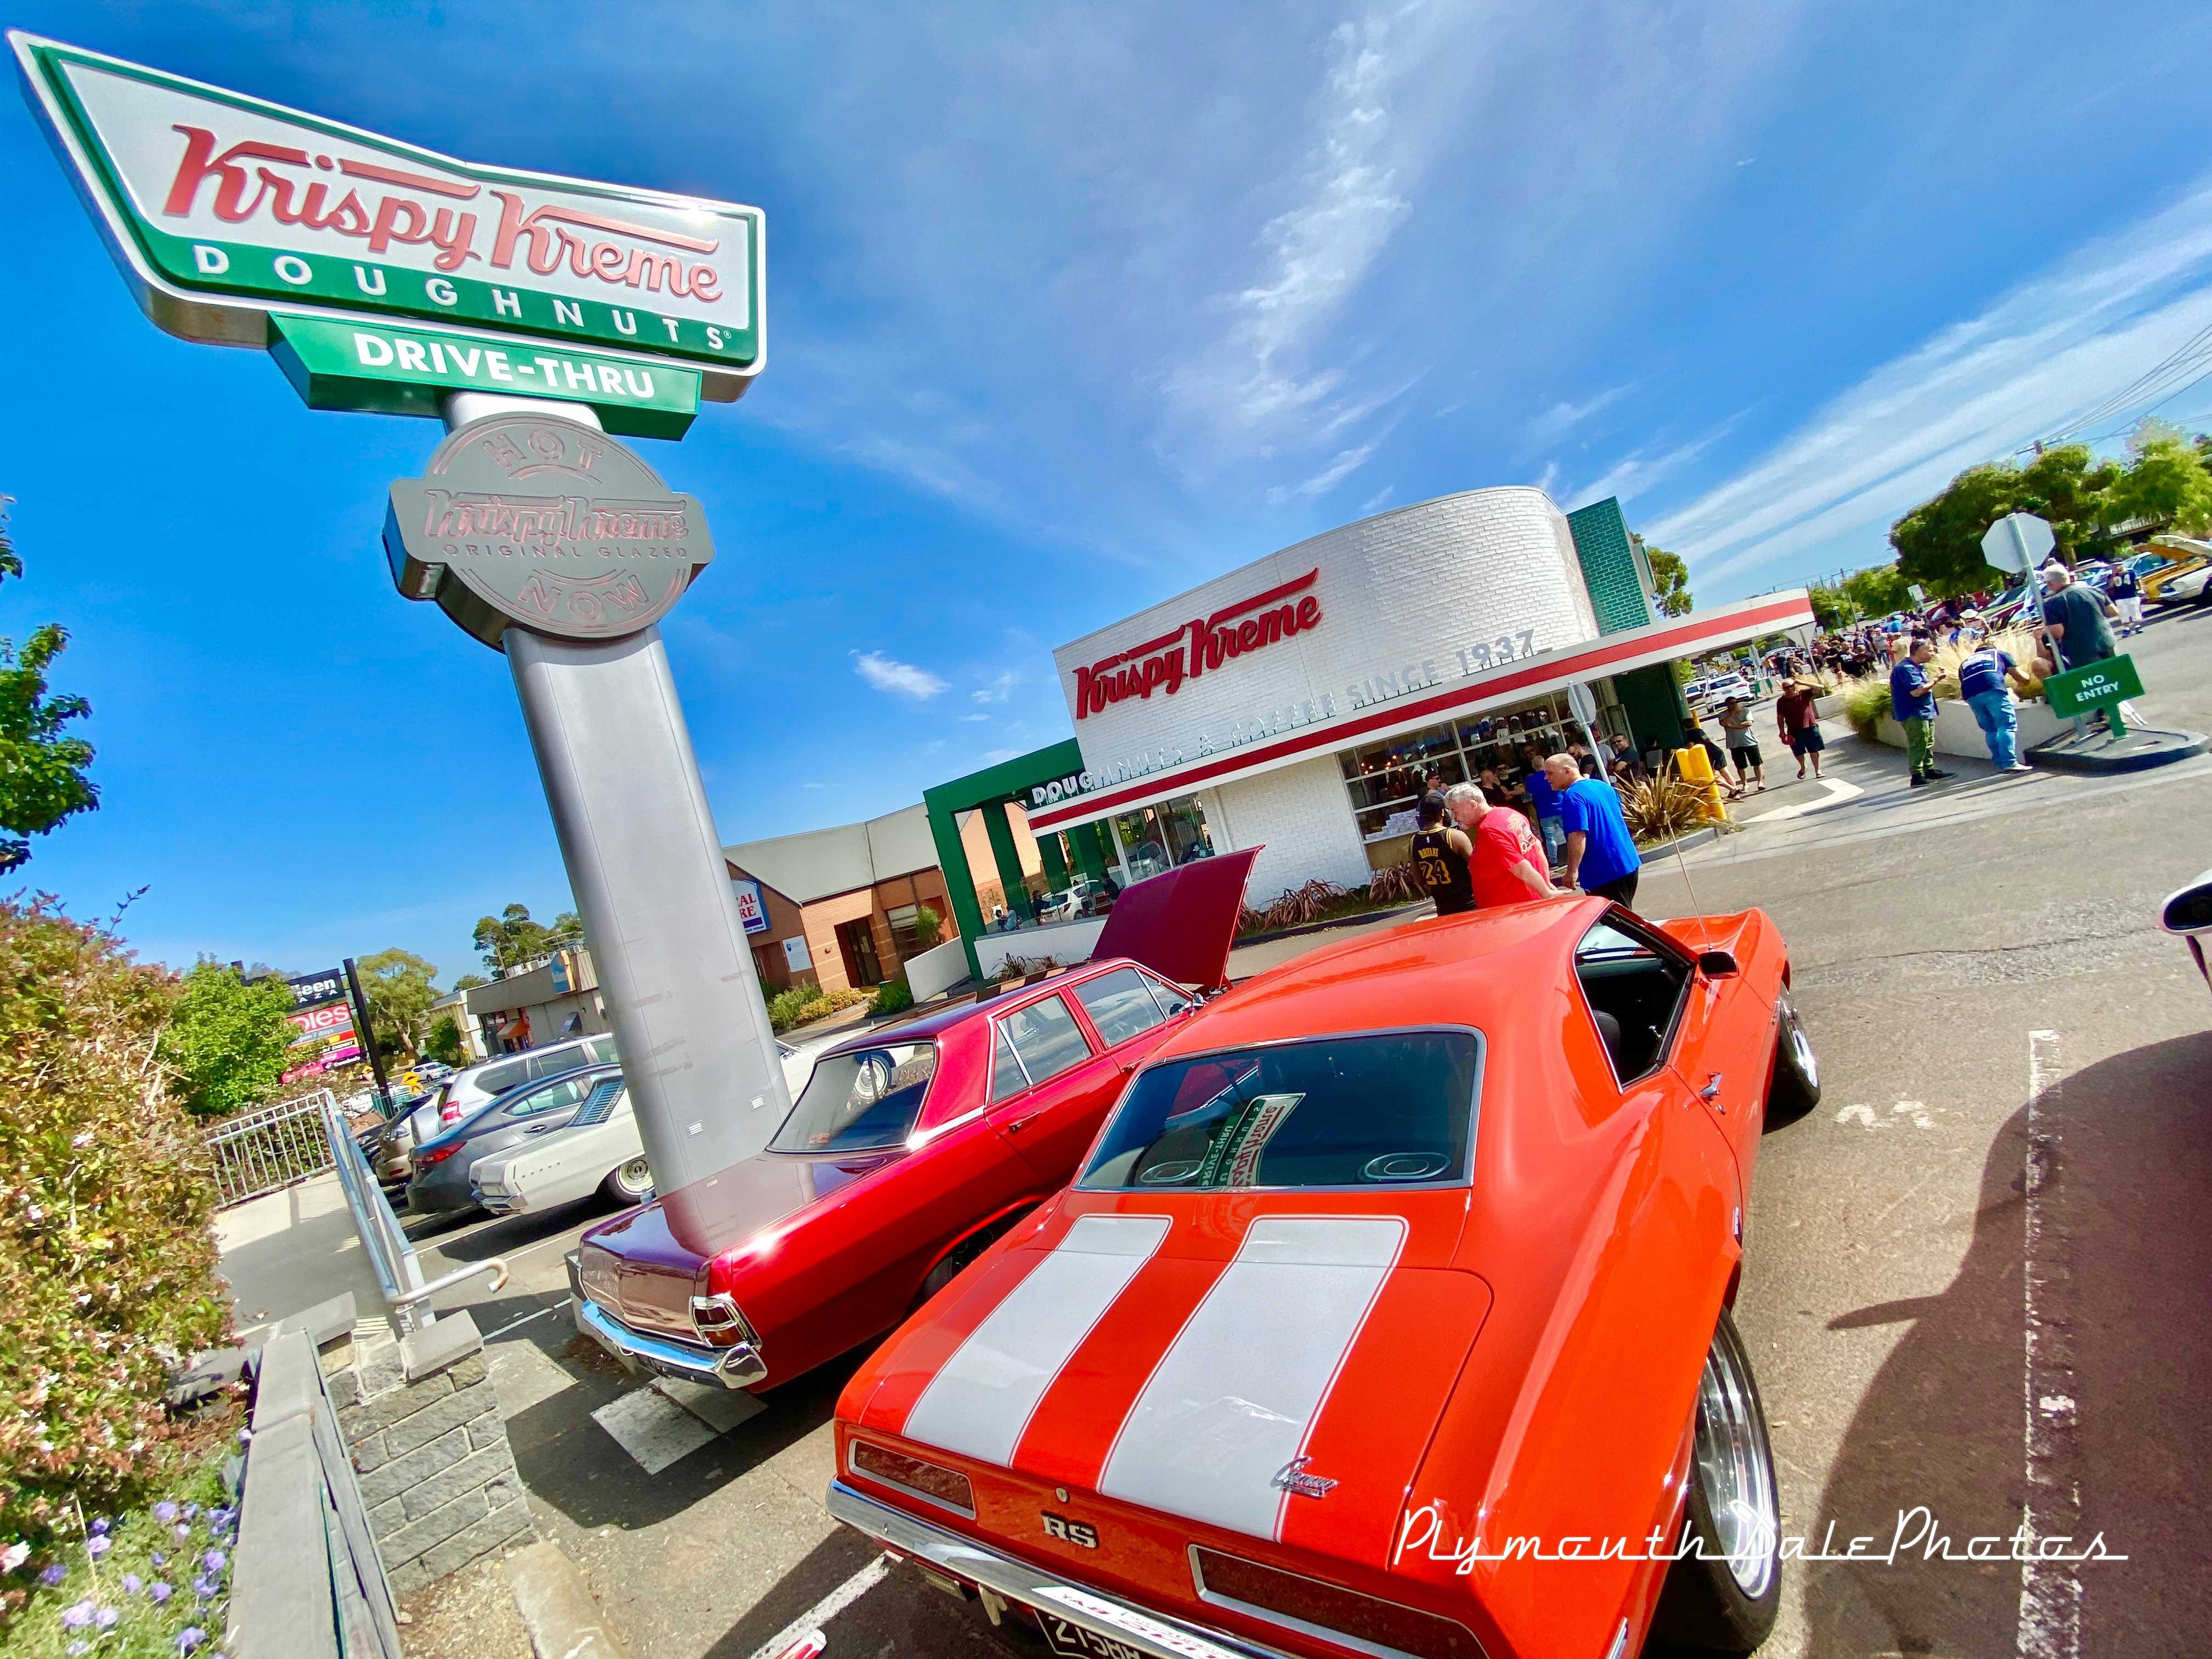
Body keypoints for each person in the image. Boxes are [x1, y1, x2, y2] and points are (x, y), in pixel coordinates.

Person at [2039, 561, 2128, 736]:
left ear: (2050, 584)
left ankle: (2114, 719)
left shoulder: (2054, 603)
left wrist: (2044, 630)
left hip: (2082, 648)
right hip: (2107, 640)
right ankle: (2116, 716)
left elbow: (2058, 632)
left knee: (2097, 683)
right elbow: (2113, 612)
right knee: (2112, 678)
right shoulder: (2093, 590)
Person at [1547, 755, 1642, 906]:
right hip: (1628, 862)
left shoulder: (1573, 796)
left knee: (1616, 923)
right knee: (1624, 916)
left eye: (1550, 773)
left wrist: (1572, 871)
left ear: (1567, 771)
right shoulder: (1602, 786)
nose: (1546, 778)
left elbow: (1578, 835)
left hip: (1603, 871)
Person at [1446, 782, 1559, 907]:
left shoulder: (1489, 830)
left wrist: (1547, 892)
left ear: (1472, 805)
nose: (1454, 817)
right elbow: (1536, 846)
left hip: (1515, 908)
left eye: (1454, 810)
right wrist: (1547, 883)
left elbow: (1521, 867)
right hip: (1526, 901)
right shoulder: (1508, 813)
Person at [1957, 636, 2033, 772]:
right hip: (1993, 689)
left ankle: (2000, 762)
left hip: (1970, 695)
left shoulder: (1965, 663)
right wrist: (2028, 680)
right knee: (2006, 725)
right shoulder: (1999, 654)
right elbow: (2022, 678)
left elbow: (1963, 682)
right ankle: (2010, 762)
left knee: (1991, 729)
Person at [1889, 634, 1953, 787]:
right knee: (1919, 742)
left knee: (1928, 741)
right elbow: (1916, 691)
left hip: (1924, 711)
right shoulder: (1905, 669)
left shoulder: (1918, 668)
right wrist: (1936, 680)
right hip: (1913, 713)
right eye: (1929, 651)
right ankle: (1917, 775)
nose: (1932, 654)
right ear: (1916, 651)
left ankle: (1929, 769)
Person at [1408, 791, 1475, 916]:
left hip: (1443, 908)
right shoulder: (1454, 836)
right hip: (1469, 904)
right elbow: (1477, 868)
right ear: (1443, 812)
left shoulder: (1414, 841)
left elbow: (1419, 879)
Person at [1774, 678, 1826, 780]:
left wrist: (1802, 682)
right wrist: (1782, 731)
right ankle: (1803, 767)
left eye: (1792, 686)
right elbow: (1780, 717)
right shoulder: (1781, 701)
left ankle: (1817, 771)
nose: (1790, 689)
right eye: (1787, 688)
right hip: (1794, 731)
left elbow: (1821, 687)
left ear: (1795, 685)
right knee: (1798, 752)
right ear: (1783, 689)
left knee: (1814, 750)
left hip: (1810, 727)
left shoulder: (1804, 694)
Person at [1521, 760, 1569, 867]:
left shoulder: (1530, 780)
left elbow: (1528, 794)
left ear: (1533, 766)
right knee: (1569, 831)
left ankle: (1554, 860)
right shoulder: (1552, 775)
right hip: (1560, 808)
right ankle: (1577, 851)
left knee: (1550, 838)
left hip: (1544, 812)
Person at [1717, 696, 1765, 792]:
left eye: (1736, 703)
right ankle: (1745, 784)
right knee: (1740, 766)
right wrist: (1732, 714)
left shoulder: (1745, 711)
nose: (1734, 705)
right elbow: (1724, 723)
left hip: (1749, 741)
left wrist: (1734, 726)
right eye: (1731, 703)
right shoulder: (1723, 715)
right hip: (1734, 744)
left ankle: (1760, 782)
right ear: (1727, 705)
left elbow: (1749, 723)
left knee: (1757, 763)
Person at [2106, 557, 2145, 639]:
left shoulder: (2130, 572)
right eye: (2114, 566)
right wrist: (2114, 575)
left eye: (2118, 565)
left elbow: (2138, 580)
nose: (2116, 568)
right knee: (2124, 613)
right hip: (2120, 597)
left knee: (2135, 611)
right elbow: (2110, 585)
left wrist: (2141, 589)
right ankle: (2127, 629)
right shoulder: (2111, 575)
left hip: (2132, 594)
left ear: (2122, 565)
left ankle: (2137, 626)